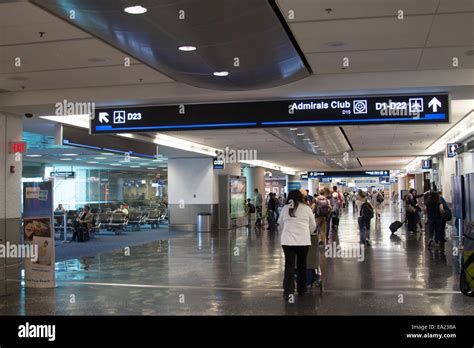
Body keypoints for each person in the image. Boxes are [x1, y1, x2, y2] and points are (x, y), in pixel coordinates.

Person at [278, 190, 316, 300]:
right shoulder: (306, 208)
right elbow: (312, 225)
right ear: (301, 197)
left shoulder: (285, 208)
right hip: (303, 241)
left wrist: (286, 231)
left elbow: (280, 223)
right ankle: (301, 289)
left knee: (289, 266)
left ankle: (288, 292)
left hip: (287, 241)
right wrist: (306, 232)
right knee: (302, 265)